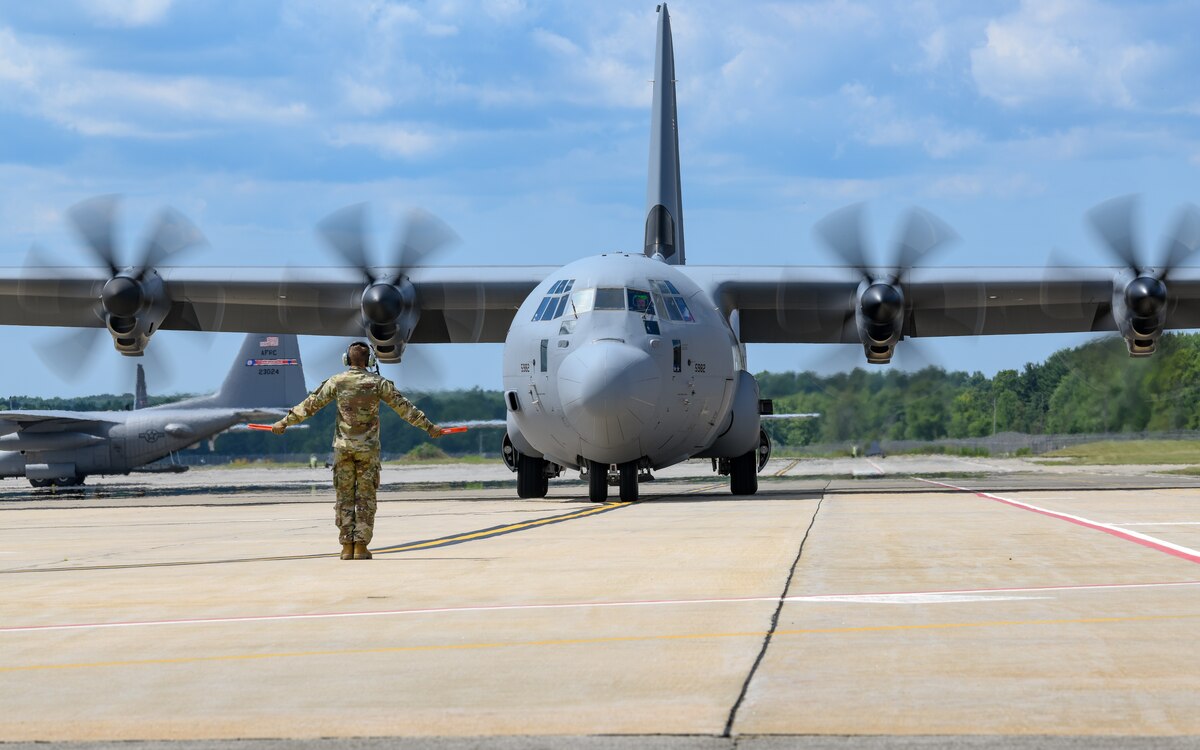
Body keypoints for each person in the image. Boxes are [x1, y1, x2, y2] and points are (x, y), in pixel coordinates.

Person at [272, 341, 443, 560]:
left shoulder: (337, 381)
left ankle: (346, 547)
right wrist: (429, 427)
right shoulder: (378, 383)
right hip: (368, 450)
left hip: (343, 449)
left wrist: (284, 422)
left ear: (346, 360)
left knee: (344, 497)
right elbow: (405, 408)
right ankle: (361, 546)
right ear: (370, 361)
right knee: (365, 498)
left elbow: (311, 404)